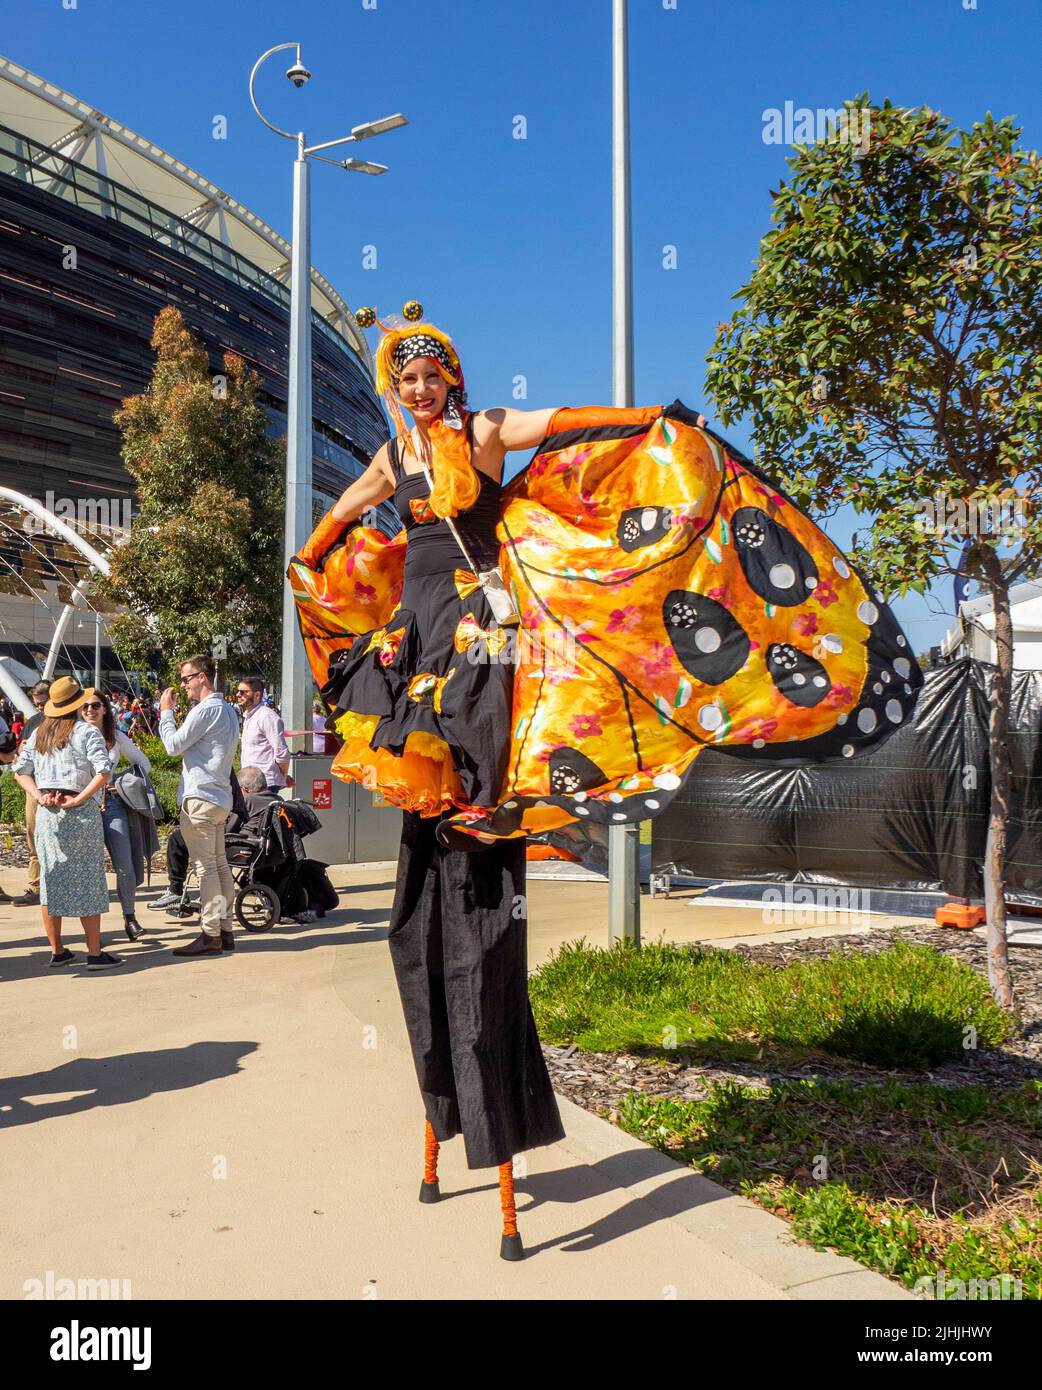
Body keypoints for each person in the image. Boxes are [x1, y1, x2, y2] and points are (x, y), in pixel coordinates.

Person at [288, 306, 923, 1259]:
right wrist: (312, 563)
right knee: (420, 804)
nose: (421, 389)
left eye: (432, 376)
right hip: (416, 624)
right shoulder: (391, 456)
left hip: (487, 623)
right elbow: (335, 523)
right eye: (407, 378)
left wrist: (654, 424)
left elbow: (582, 424)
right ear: (396, 387)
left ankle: (489, 789)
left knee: (478, 755)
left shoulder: (490, 431)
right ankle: (450, 805)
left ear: (452, 379)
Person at [11, 677, 121, 970]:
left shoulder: (39, 734)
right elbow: (103, 770)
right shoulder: (87, 733)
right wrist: (81, 798)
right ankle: (95, 952)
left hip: (47, 811)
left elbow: (20, 771)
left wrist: (38, 795)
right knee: (88, 879)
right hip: (79, 810)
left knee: (50, 880)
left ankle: (57, 950)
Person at [158, 655, 240, 957]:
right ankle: (224, 928)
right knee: (219, 866)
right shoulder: (227, 710)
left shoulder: (206, 710)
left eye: (187, 678)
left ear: (203, 677)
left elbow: (172, 746)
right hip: (218, 796)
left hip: (201, 798)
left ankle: (210, 933)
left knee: (207, 868)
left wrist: (166, 714)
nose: (183, 685)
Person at [80, 688, 151, 942]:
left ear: (104, 709)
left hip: (112, 805)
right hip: (83, 807)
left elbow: (144, 763)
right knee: (88, 868)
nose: (90, 710)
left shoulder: (116, 737)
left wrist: (120, 781)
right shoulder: (73, 736)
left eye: (95, 706)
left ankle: (130, 917)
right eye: (85, 706)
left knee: (125, 865)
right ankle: (91, 930)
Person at [10, 681, 54, 909]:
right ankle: (36, 887)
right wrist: (21, 749)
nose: (39, 708)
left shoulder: (67, 720)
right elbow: (19, 755)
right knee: (33, 836)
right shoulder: (34, 723)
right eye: (36, 704)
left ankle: (55, 886)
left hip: (58, 788)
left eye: (42, 703)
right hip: (35, 787)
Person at [235, 678, 291, 790]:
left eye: (243, 692)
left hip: (265, 784)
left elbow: (282, 752)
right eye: (238, 691)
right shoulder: (249, 716)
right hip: (249, 782)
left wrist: (282, 777)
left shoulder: (267, 716)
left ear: (257, 695)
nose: (238, 695)